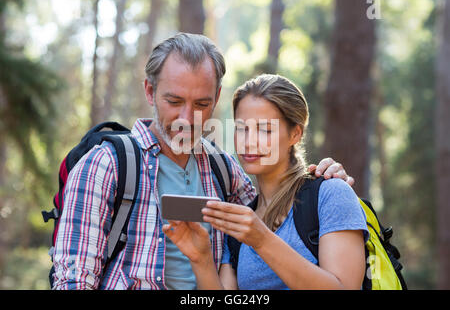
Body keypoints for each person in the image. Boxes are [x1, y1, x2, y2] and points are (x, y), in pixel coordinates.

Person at [52, 33, 353, 290]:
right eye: (174, 101)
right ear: (149, 91)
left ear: (217, 97)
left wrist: (326, 177)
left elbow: (276, 210)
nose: (186, 118)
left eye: (201, 104)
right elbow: (73, 279)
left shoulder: (223, 170)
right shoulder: (106, 165)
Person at [163, 74, 369, 290]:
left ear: (295, 134)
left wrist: (262, 240)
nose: (249, 141)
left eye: (265, 129)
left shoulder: (330, 194)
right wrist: (201, 260)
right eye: (242, 128)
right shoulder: (239, 221)